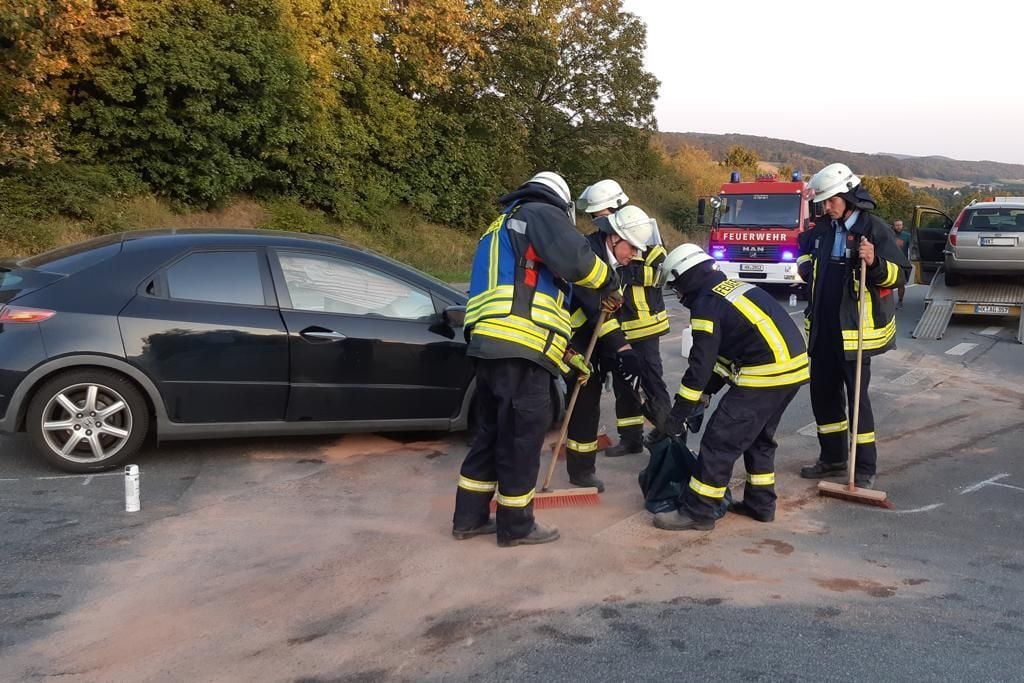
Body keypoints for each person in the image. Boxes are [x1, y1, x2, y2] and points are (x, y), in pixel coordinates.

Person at [453, 171, 621, 547]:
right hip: (520, 351)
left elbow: (524, 296)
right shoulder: (540, 213)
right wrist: (609, 281)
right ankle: (515, 526)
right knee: (522, 439)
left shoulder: (499, 226)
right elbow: (578, 262)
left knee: (491, 434)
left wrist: (566, 353)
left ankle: (468, 518)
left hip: (491, 347)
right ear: (561, 202)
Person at [652, 244, 809, 531]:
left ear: (685, 276)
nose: (677, 293)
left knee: (719, 440)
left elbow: (699, 367)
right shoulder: (732, 287)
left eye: (675, 285)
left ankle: (698, 511)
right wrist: (708, 394)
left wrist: (679, 414)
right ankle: (760, 504)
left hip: (764, 374)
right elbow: (723, 356)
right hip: (792, 369)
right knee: (760, 439)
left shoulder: (705, 305)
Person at [796, 163, 910, 490]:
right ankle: (832, 459)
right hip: (823, 329)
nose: (826, 205)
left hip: (854, 334)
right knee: (823, 396)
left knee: (857, 402)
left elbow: (900, 275)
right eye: (824, 200)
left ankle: (863, 468)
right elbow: (802, 251)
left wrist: (874, 262)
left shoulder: (873, 229)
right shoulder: (822, 229)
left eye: (832, 199)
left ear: (848, 196)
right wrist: (805, 268)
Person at [563, 205, 656, 492]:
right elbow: (592, 307)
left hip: (595, 333)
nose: (634, 256)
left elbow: (608, 310)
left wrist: (620, 351)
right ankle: (580, 470)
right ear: (615, 237)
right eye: (632, 248)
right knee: (583, 398)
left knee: (601, 394)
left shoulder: (613, 260)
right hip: (572, 336)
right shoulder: (586, 254)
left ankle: (589, 464)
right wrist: (624, 348)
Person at [576, 180, 672, 458]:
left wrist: (626, 274)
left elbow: (660, 271)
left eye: (602, 213)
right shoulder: (600, 241)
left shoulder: (641, 231)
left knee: (652, 382)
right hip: (615, 327)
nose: (598, 220)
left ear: (618, 206)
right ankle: (631, 439)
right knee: (623, 385)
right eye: (595, 216)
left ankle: (668, 435)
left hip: (643, 324)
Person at [892, 219, 911, 307]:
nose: (899, 227)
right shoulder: (890, 235)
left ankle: (900, 300)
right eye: (897, 225)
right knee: (888, 283)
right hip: (891, 262)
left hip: (902, 263)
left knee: (901, 283)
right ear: (893, 226)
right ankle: (888, 301)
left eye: (900, 225)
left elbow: (913, 247)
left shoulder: (907, 236)